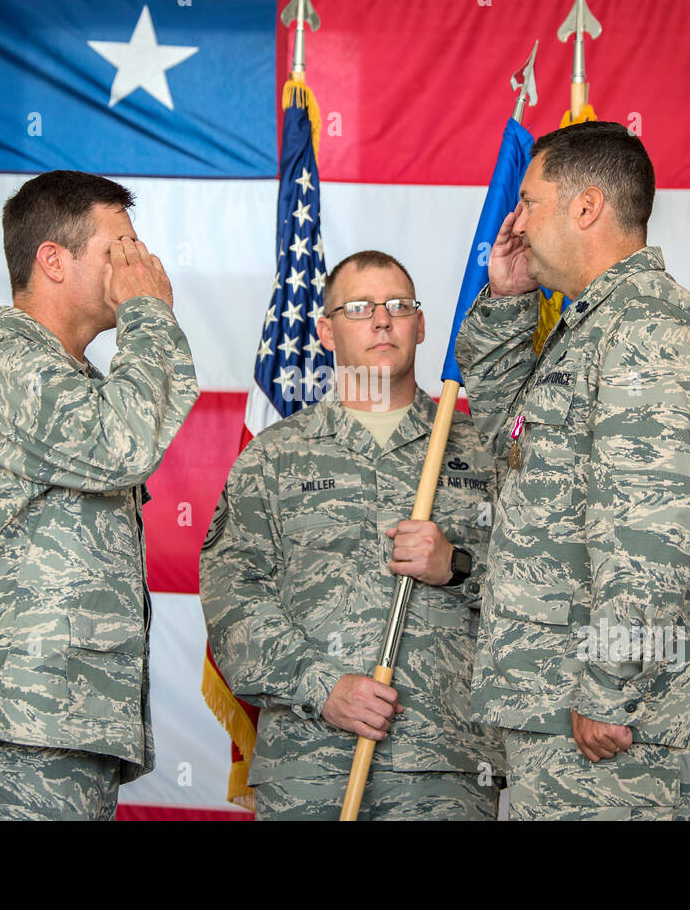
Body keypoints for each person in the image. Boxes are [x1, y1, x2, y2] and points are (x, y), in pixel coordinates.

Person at [455, 121, 690, 820]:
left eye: (528, 201)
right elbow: (505, 436)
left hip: (601, 717)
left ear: (586, 207)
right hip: (557, 702)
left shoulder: (647, 328)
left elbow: (651, 526)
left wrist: (610, 684)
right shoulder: (593, 324)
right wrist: (508, 303)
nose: (516, 221)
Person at [0, 170, 199, 820]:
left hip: (58, 724)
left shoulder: (73, 380)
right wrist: (148, 314)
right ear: (53, 260)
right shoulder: (11, 367)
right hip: (12, 726)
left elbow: (133, 424)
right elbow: (122, 444)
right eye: (119, 247)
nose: (138, 264)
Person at [200, 250, 504, 820]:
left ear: (421, 325)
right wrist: (323, 687)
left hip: (445, 768)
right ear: (326, 330)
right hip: (308, 766)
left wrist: (456, 566)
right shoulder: (274, 457)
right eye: (360, 307)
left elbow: (540, 583)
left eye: (399, 306)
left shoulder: (482, 453)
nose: (382, 320)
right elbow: (232, 597)